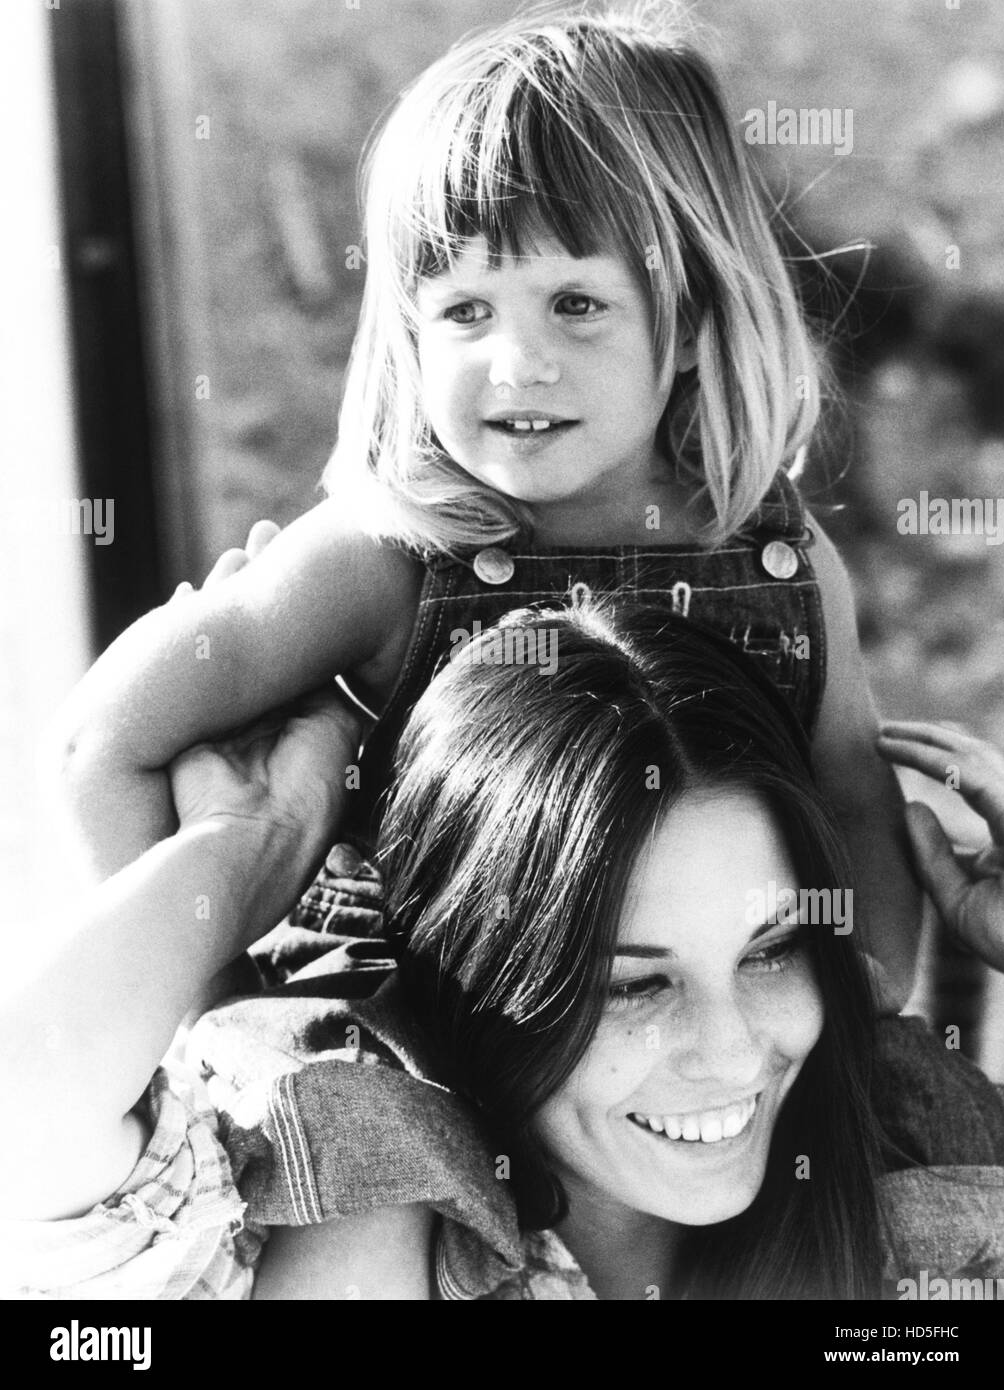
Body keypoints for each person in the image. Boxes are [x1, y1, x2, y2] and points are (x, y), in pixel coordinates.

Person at [52, 5, 928, 1011]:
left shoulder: (775, 557)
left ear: (689, 321)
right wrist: (209, 1013)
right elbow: (104, 743)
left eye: (575, 305)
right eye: (466, 311)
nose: (517, 364)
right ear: (411, 335)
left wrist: (860, 1020)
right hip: (409, 1067)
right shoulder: (385, 558)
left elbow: (854, 800)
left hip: (686, 1049)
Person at [5, 604, 1004, 1300]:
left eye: (771, 949)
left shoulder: (924, 1208)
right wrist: (249, 842)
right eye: (634, 984)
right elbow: (33, 1097)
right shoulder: (332, 1213)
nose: (734, 1050)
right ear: (473, 975)